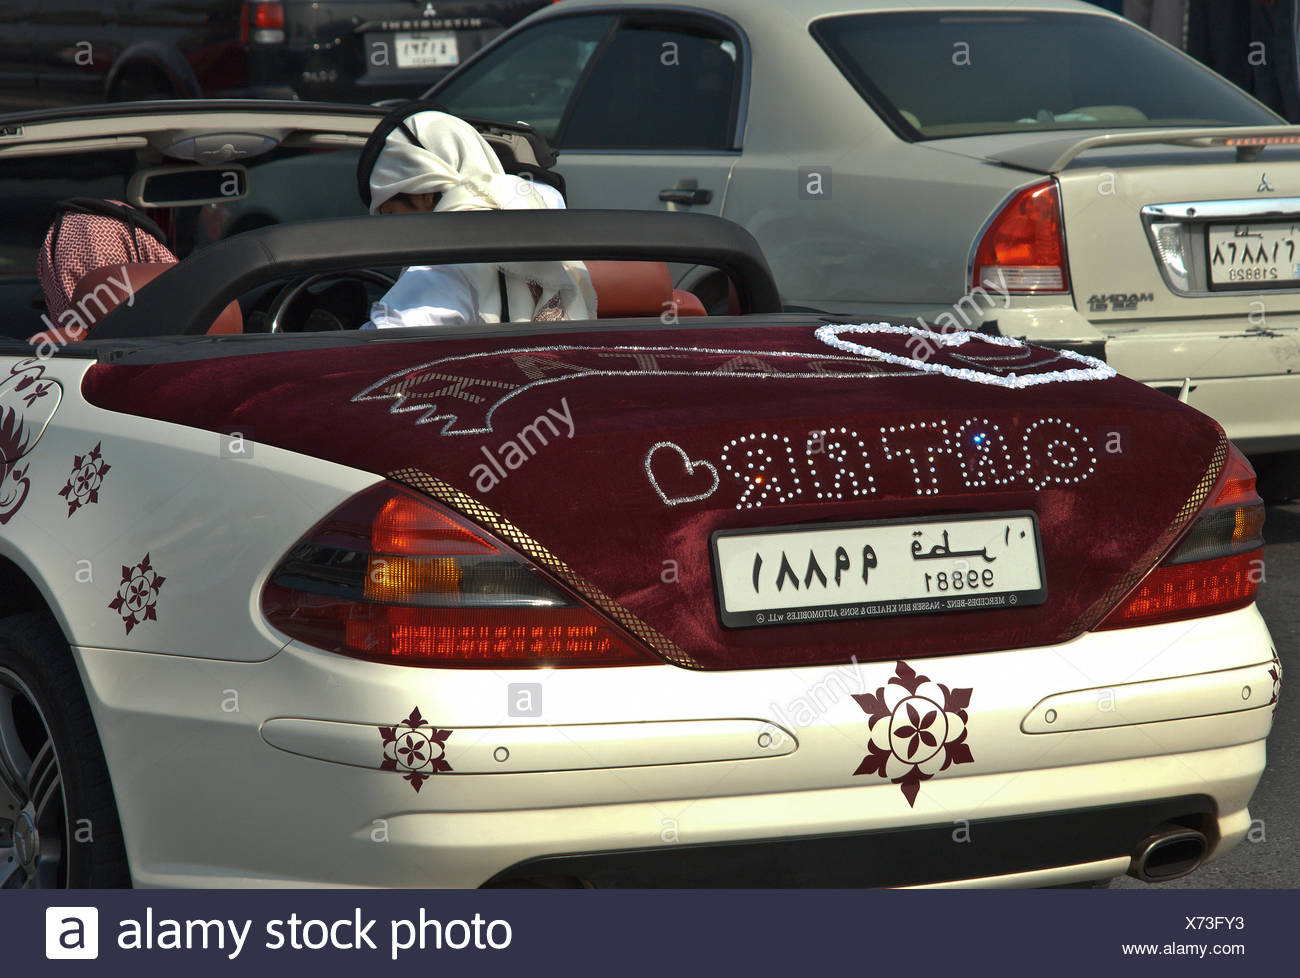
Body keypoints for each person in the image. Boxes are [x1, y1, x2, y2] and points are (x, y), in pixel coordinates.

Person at [360, 109, 596, 328]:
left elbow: (388, 335)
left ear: (426, 192)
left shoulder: (444, 258)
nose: (390, 230)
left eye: (390, 214)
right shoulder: (541, 199)